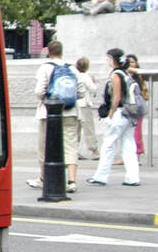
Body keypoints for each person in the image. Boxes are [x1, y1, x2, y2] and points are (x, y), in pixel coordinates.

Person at [28, 40, 79, 192]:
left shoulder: (45, 68)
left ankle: (43, 178)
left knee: (45, 146)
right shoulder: (72, 69)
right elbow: (80, 91)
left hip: (48, 113)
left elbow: (39, 91)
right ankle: (71, 181)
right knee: (70, 145)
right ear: (62, 51)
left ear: (48, 52)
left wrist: (49, 98)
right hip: (70, 111)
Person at [87, 48, 140, 187]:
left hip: (119, 113)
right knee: (129, 145)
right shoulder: (126, 73)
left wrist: (111, 114)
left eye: (109, 58)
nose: (108, 61)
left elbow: (116, 97)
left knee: (109, 145)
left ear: (113, 59)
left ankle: (101, 176)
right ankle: (133, 177)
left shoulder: (116, 75)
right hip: (130, 114)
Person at [75, 57, 99, 159]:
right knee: (89, 128)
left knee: (76, 129)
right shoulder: (86, 76)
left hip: (75, 105)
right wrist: (94, 82)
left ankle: (74, 151)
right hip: (84, 105)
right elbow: (93, 89)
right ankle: (94, 151)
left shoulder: (74, 76)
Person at [126, 54, 146, 156]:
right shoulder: (124, 75)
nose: (130, 65)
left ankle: (137, 155)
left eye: (132, 62)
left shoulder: (139, 75)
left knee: (137, 132)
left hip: (137, 107)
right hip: (127, 107)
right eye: (128, 63)